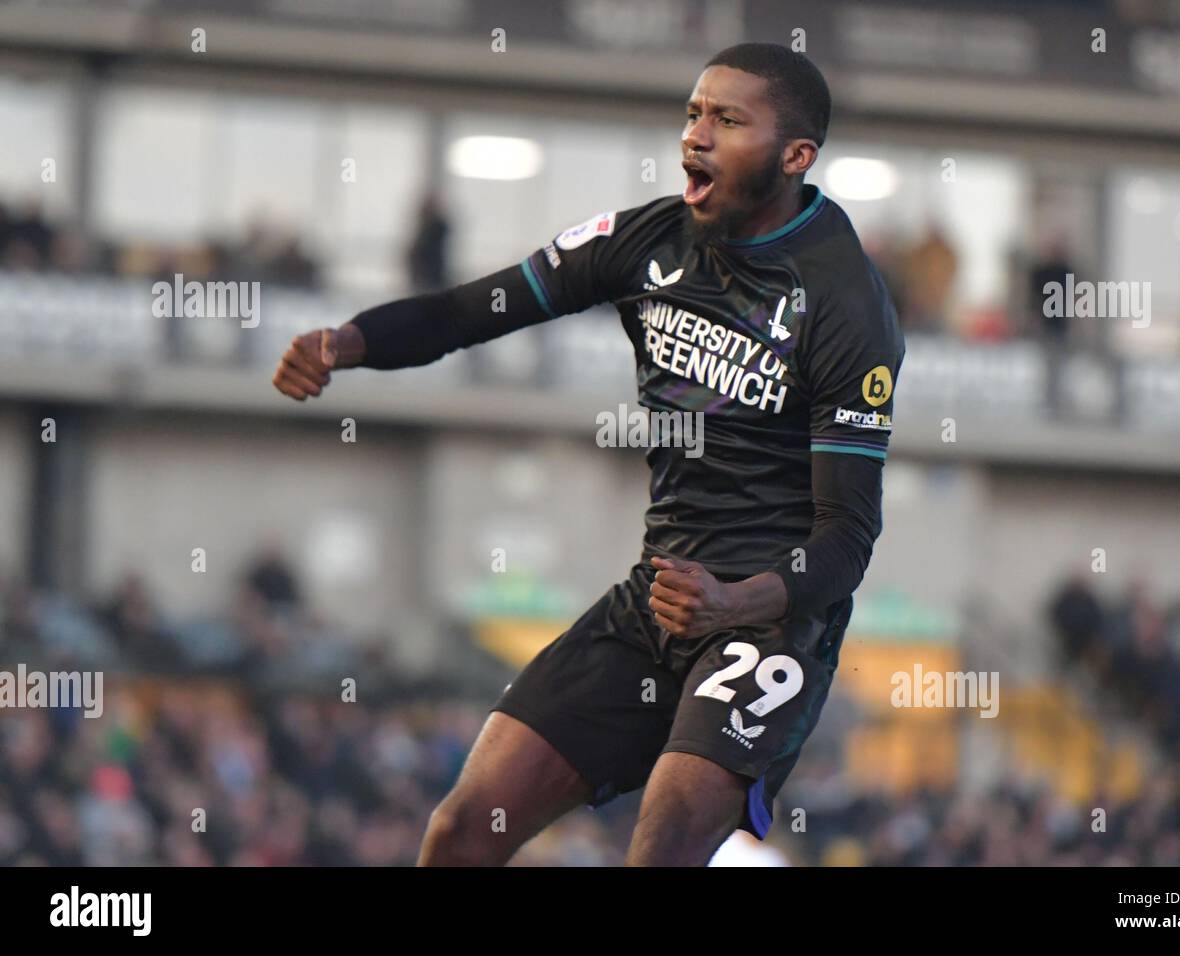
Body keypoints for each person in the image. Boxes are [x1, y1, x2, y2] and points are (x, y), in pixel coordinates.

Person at [272, 42, 903, 866]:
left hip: (773, 622)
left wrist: (734, 602)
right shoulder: (647, 241)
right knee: (463, 829)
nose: (696, 136)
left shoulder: (846, 302)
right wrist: (347, 342)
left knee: (664, 837)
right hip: (660, 595)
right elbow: (475, 309)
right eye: (692, 113)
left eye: (726, 119)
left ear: (795, 156)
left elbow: (847, 540)